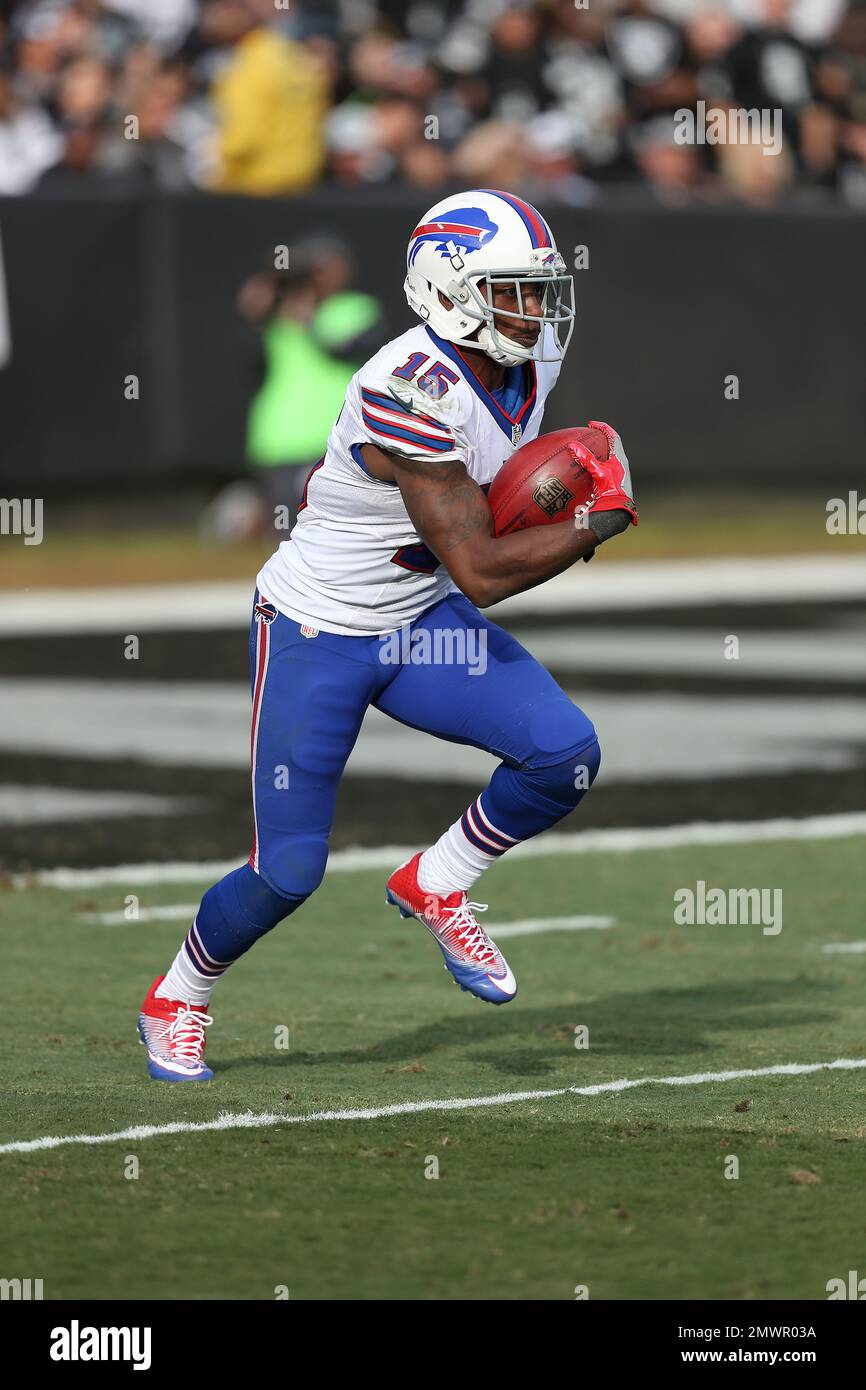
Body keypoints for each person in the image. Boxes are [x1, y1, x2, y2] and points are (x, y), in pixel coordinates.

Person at [137, 188, 637, 1082]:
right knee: (288, 872)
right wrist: (594, 521)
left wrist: (568, 486)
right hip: (321, 628)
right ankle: (177, 995)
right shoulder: (406, 388)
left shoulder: (529, 352)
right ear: (449, 291)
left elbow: (488, 527)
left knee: (564, 753)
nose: (537, 310)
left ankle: (437, 879)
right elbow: (483, 571)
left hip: (416, 623)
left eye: (539, 289)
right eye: (513, 290)